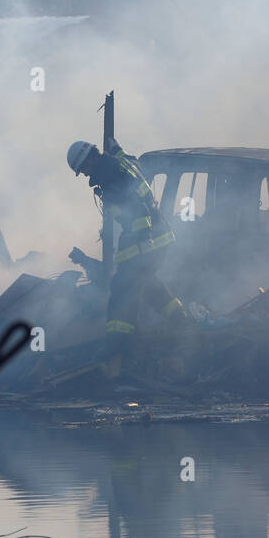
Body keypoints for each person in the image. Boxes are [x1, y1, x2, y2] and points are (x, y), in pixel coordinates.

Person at [66, 140, 188, 371]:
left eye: (83, 170)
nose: (84, 175)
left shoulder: (109, 175)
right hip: (157, 235)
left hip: (144, 238)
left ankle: (116, 341)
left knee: (123, 286)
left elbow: (136, 205)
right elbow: (134, 162)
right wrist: (116, 148)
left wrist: (142, 237)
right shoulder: (118, 164)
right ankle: (180, 318)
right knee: (147, 282)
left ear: (90, 160)